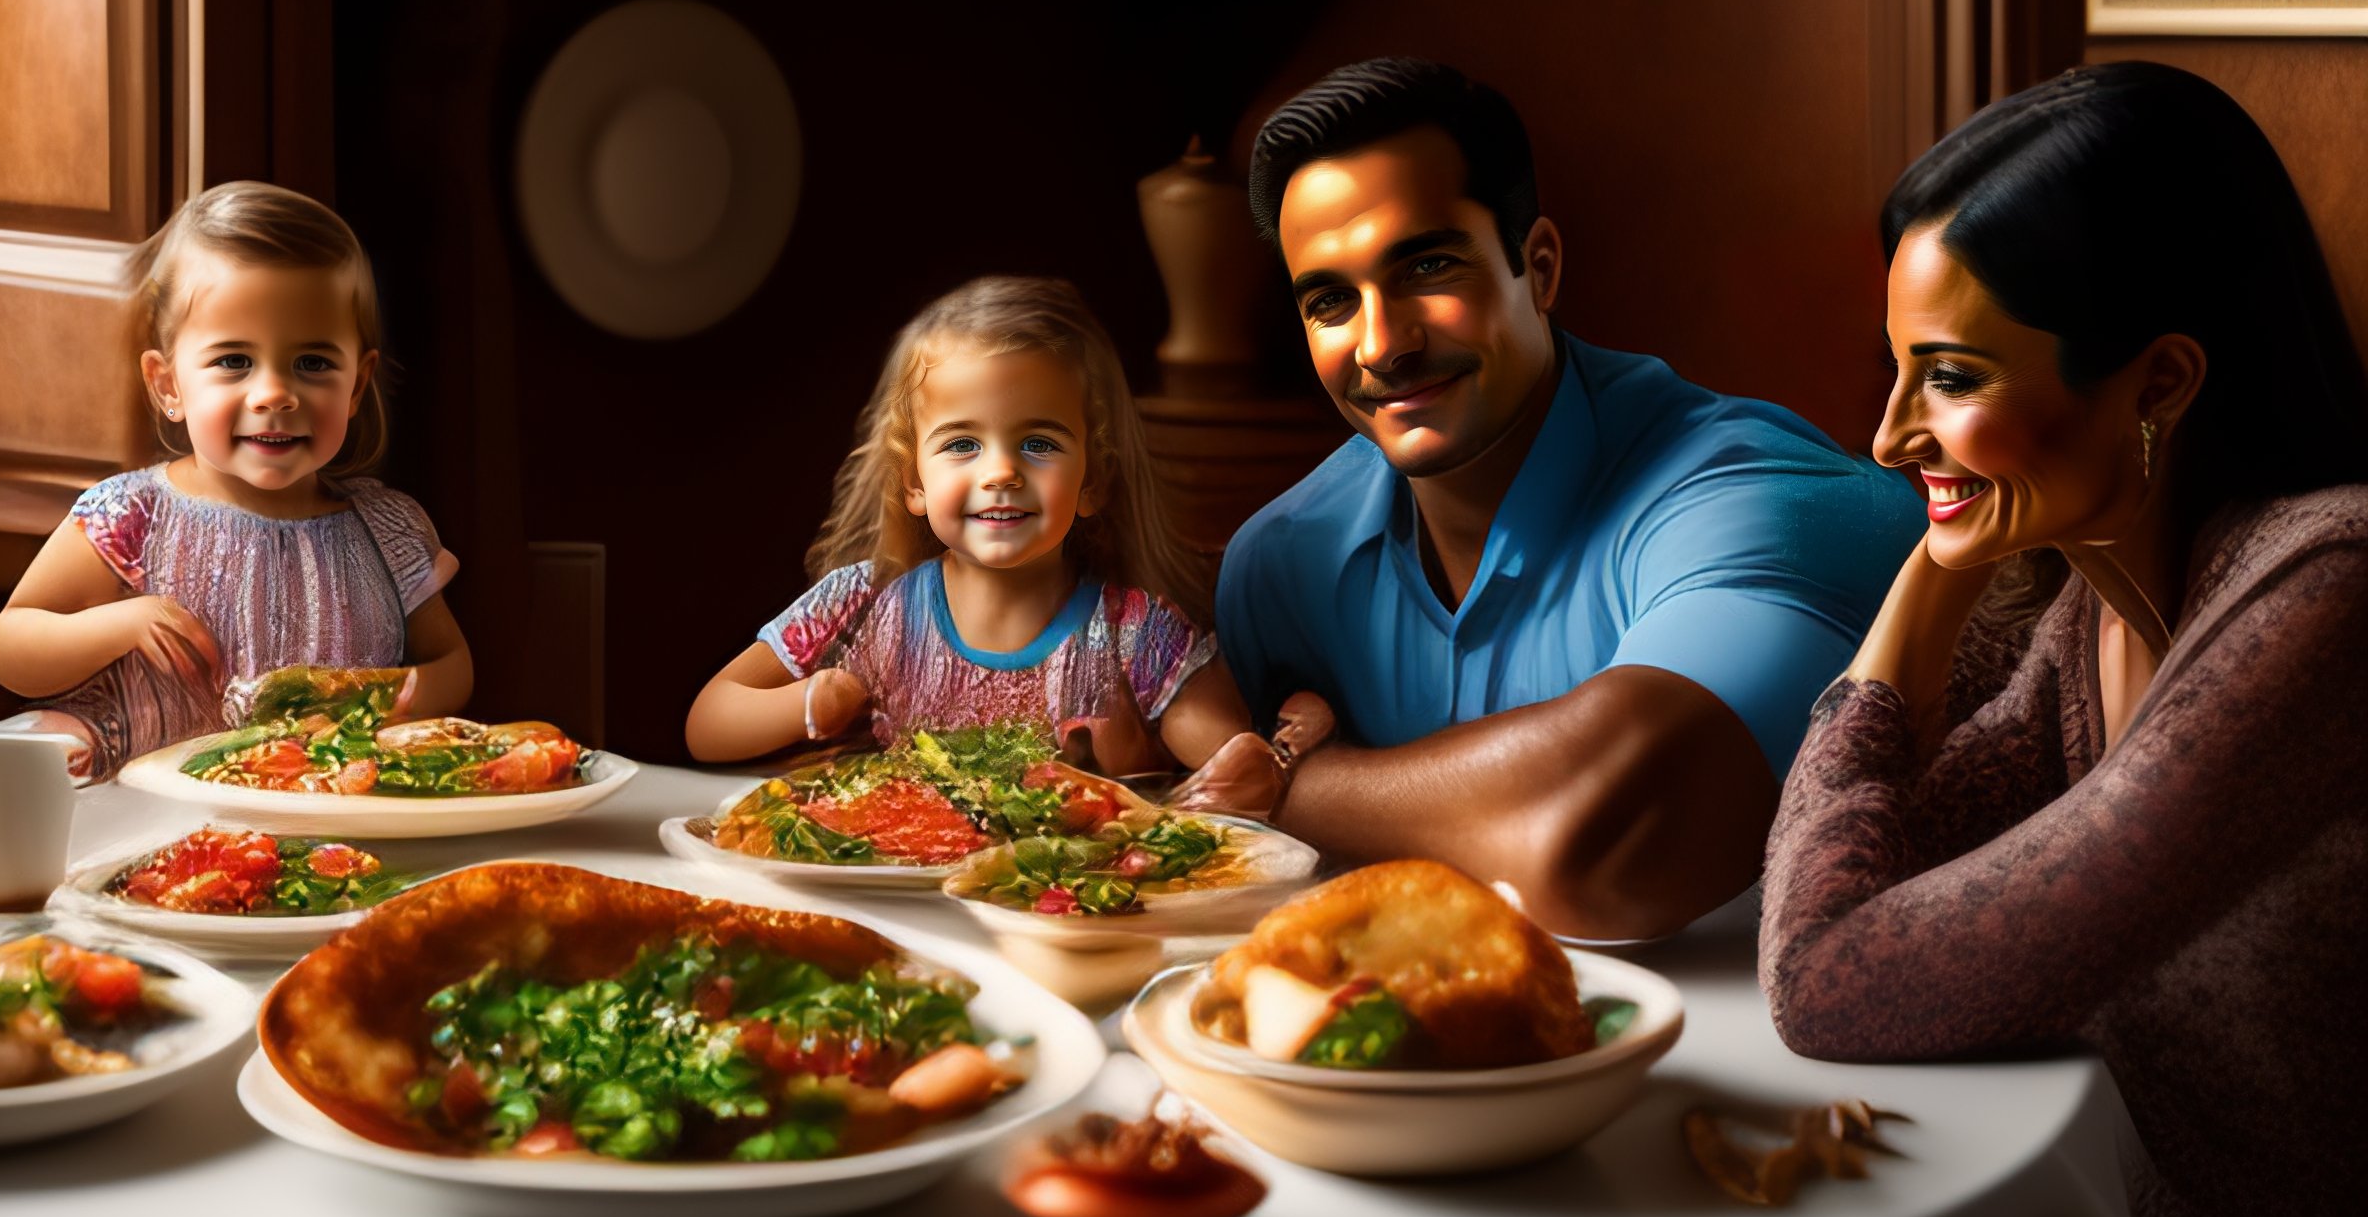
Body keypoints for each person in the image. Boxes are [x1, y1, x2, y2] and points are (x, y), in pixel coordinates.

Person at [1760, 62, 2368, 1217]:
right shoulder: (2082, 614)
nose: (1893, 429)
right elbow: (1836, 885)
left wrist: (1933, 571)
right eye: (1894, 369)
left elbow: (1826, 977)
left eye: (1949, 375)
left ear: (2160, 381)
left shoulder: (2327, 601)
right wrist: (1947, 569)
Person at [1213, 58, 1923, 937]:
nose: (1381, 345)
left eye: (1427, 265)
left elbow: (1607, 848)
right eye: (1330, 302)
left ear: (1539, 267)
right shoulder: (1279, 567)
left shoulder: (1760, 501)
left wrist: (1289, 786)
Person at [686, 276, 1281, 814]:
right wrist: (811, 702)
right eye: (962, 444)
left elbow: (1236, 763)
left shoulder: (1135, 634)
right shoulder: (864, 603)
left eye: (1039, 444)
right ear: (914, 483)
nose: (1001, 472)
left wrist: (1255, 762)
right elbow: (708, 722)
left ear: (1092, 481)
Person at [0, 180, 472, 779]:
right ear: (168, 384)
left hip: (331, 823)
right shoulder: (135, 516)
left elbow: (452, 661)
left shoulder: (385, 529)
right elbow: (11, 646)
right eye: (234, 361)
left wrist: (396, 700)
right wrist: (122, 623)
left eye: (313, 363)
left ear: (356, 385)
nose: (274, 393)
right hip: (155, 829)